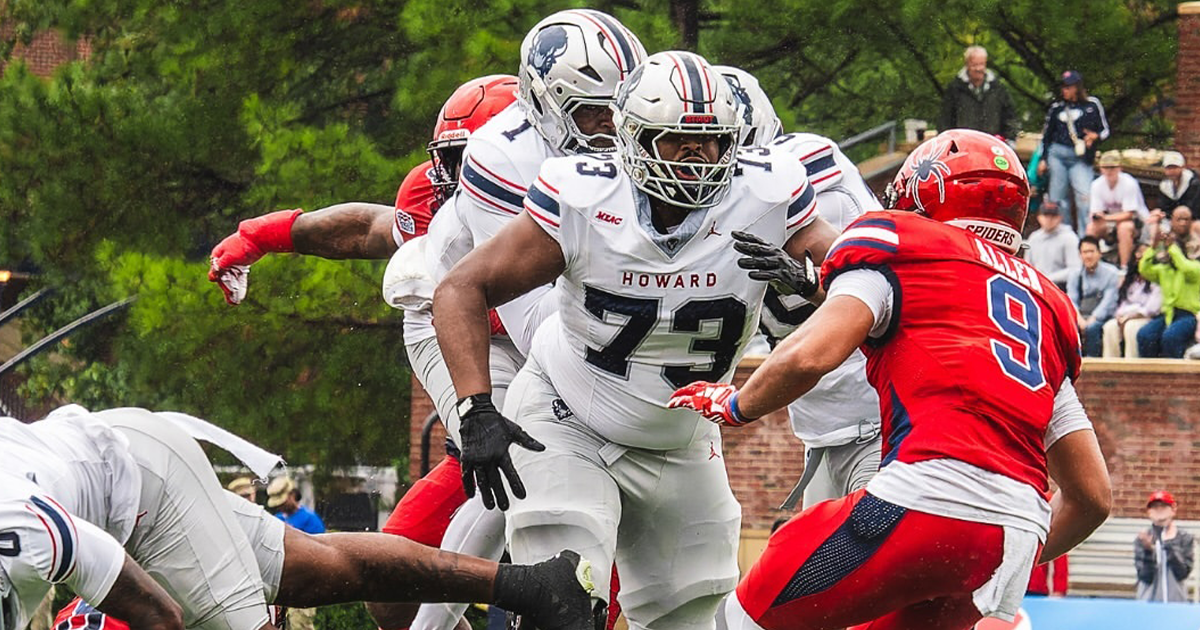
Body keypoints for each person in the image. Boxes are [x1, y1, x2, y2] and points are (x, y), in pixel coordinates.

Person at [433, 50, 841, 630]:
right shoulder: (586, 197)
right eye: (677, 140)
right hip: (568, 415)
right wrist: (476, 409)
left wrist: (816, 283)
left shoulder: (769, 196)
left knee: (693, 616)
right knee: (566, 602)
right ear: (632, 138)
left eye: (711, 141)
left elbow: (867, 281)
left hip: (682, 435)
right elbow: (460, 289)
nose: (697, 156)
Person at [669, 130, 1112, 630]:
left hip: (918, 502)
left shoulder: (901, 245)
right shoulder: (1045, 308)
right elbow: (1093, 496)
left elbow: (811, 356)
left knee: (739, 620)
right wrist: (1008, 545)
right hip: (1014, 534)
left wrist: (736, 405)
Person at [207, 74, 522, 630]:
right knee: (393, 583)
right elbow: (367, 230)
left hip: (560, 353)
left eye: (476, 161)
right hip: (469, 337)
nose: (455, 182)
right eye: (453, 161)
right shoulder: (431, 197)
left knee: (559, 470)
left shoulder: (580, 203)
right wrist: (263, 234)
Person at [0, 406, 598, 630]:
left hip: (141, 495)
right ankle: (533, 587)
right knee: (322, 571)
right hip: (114, 460)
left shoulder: (19, 529)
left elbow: (160, 616)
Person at [1040, 70, 1111, 235]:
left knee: (1084, 197)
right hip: (1057, 154)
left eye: (1068, 87)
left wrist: (1095, 136)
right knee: (1058, 199)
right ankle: (1063, 236)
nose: (1064, 90)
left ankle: (1084, 237)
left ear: (1077, 87)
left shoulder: (1092, 105)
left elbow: (1105, 130)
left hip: (1080, 157)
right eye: (1063, 87)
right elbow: (1047, 137)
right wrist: (1044, 159)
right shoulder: (1056, 109)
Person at [1136, 209, 1200, 358]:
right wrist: (1153, 246)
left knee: (1171, 337)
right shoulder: (1166, 267)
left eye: (1186, 219)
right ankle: (1149, 377)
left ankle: (1175, 380)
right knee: (1145, 335)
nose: (1183, 223)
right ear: (1172, 222)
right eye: (1179, 219)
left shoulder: (1196, 260)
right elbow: (1145, 270)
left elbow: (1186, 268)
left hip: (1189, 314)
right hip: (1168, 313)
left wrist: (1172, 248)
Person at [937, 46, 1018, 140]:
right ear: (967, 64)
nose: (978, 69)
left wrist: (1010, 139)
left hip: (992, 143)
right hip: (964, 143)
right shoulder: (955, 89)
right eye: (974, 65)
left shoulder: (998, 88)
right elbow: (945, 120)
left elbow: (1010, 117)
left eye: (981, 64)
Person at [1087, 151, 1148, 269]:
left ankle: (1124, 267)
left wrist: (1105, 218)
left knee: (1124, 228)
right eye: (1106, 167)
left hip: (1137, 221)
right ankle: (1091, 265)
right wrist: (1099, 218)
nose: (1109, 171)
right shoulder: (1096, 185)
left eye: (1112, 167)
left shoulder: (1129, 183)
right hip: (1110, 220)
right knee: (1091, 228)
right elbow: (1095, 212)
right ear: (1101, 169)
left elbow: (1129, 214)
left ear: (1120, 168)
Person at [1101, 244, 1162, 358]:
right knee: (1109, 327)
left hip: (1147, 318)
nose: (1139, 259)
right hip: (1127, 316)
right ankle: (1110, 368)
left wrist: (1131, 315)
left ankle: (1131, 367)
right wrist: (1121, 316)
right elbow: (1123, 303)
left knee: (1131, 328)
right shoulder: (1131, 280)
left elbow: (1151, 308)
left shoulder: (1156, 280)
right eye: (1137, 256)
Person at [1135, 490, 1195, 602]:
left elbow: (1182, 573)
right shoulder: (1143, 538)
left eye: (1163, 506)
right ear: (1149, 511)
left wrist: (1169, 543)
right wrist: (1148, 551)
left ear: (1173, 509)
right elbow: (1145, 577)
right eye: (1155, 506)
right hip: (1148, 604)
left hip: (1176, 604)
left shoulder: (1184, 537)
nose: (1159, 510)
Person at [1066, 236, 1120, 357]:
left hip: (1103, 316)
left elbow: (1108, 302)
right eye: (1085, 252)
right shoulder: (1075, 274)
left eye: (1092, 251)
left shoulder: (1111, 273)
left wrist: (1092, 319)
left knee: (1093, 329)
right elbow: (1071, 300)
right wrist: (1079, 320)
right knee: (1067, 328)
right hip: (1081, 315)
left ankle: (1092, 363)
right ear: (1080, 255)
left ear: (1099, 253)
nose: (1088, 256)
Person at [1023, 204, 1080, 289]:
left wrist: (1048, 279)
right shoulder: (1034, 237)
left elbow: (1075, 269)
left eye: (1053, 216)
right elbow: (1027, 265)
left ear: (1060, 217)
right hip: (1036, 285)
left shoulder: (1069, 237)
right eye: (1046, 215)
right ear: (1039, 217)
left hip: (1061, 287)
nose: (1049, 219)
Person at [1153, 151, 1200, 229]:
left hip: (1192, 220)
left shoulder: (1194, 184)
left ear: (1182, 167)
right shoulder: (1164, 186)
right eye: (1169, 168)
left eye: (1175, 167)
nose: (1172, 171)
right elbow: (1164, 207)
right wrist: (1161, 214)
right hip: (1170, 220)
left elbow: (1194, 208)